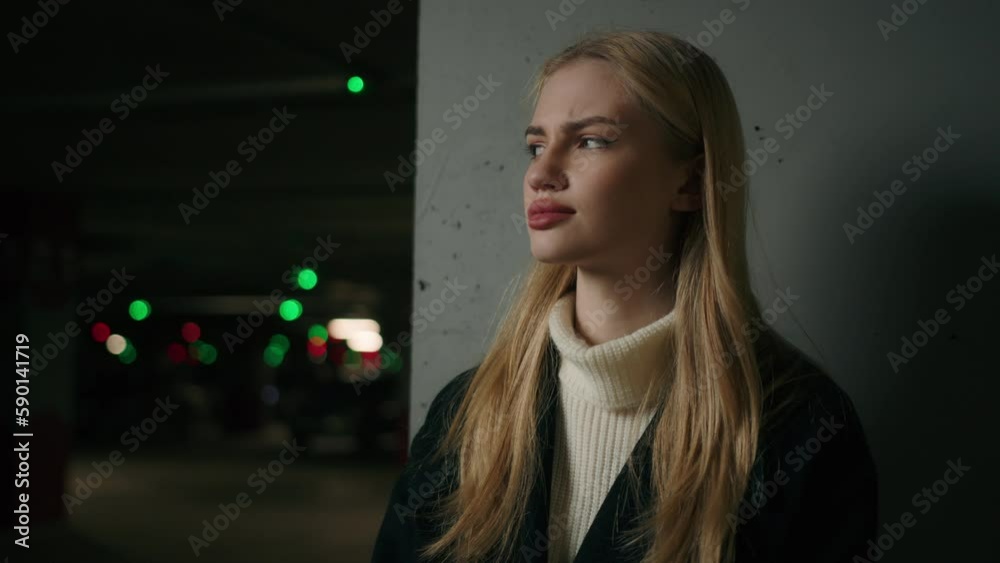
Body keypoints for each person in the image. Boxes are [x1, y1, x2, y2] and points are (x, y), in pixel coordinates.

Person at [371, 29, 878, 563]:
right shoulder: (466, 415)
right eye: (535, 146)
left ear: (690, 181)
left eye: (591, 140)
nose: (541, 174)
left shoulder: (796, 425)